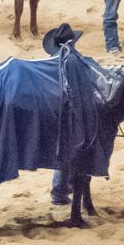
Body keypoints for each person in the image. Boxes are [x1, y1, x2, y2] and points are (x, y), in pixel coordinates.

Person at [42, 24, 85, 206]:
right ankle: (59, 192)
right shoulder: (73, 60)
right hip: (67, 111)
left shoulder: (52, 62)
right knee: (69, 150)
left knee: (64, 150)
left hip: (52, 109)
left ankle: (62, 189)